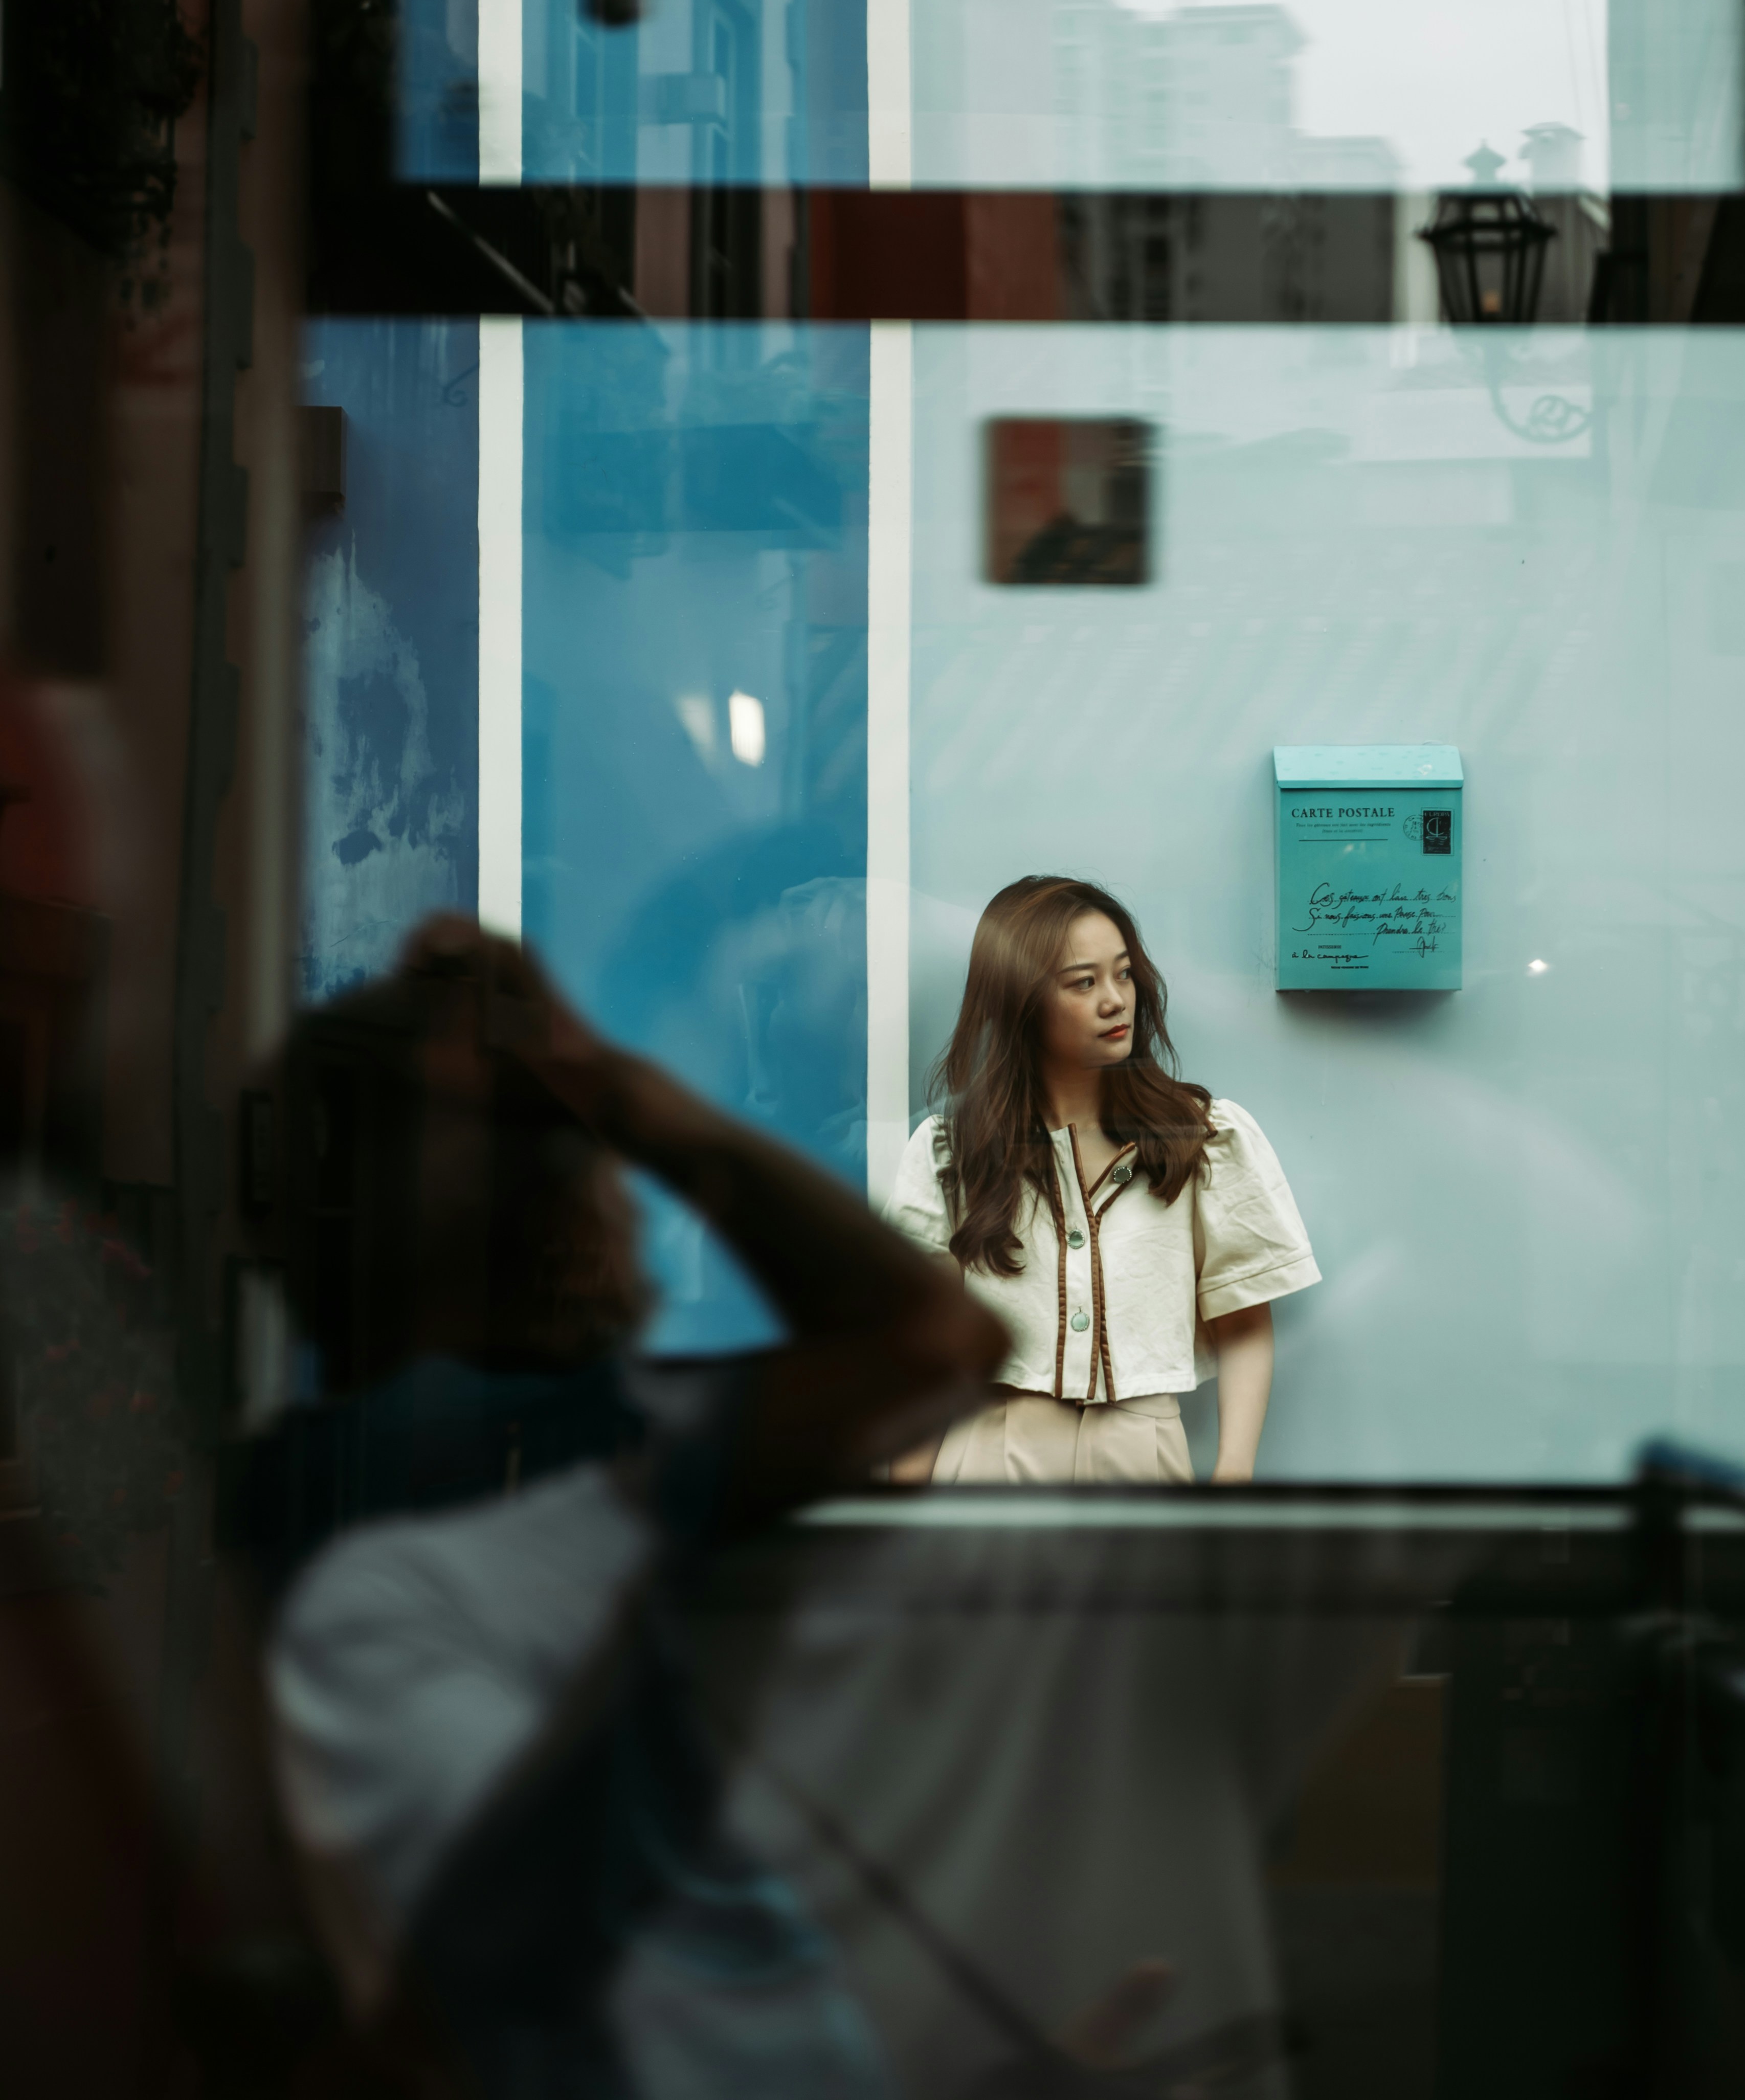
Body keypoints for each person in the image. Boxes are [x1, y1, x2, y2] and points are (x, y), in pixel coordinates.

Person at [244, 914, 1005, 2098]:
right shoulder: (601, 1454)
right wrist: (630, 1098)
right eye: (536, 1134)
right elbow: (940, 1338)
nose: (584, 1168)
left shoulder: (308, 1474)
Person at [883, 877, 1319, 1487]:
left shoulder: (1202, 1136)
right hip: (990, 1451)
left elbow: (1243, 1323)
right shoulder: (951, 1150)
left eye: (1123, 974)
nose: (1115, 1000)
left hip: (1142, 1450)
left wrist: (1233, 1476)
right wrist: (891, 1513)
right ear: (1020, 1000)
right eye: (1083, 982)